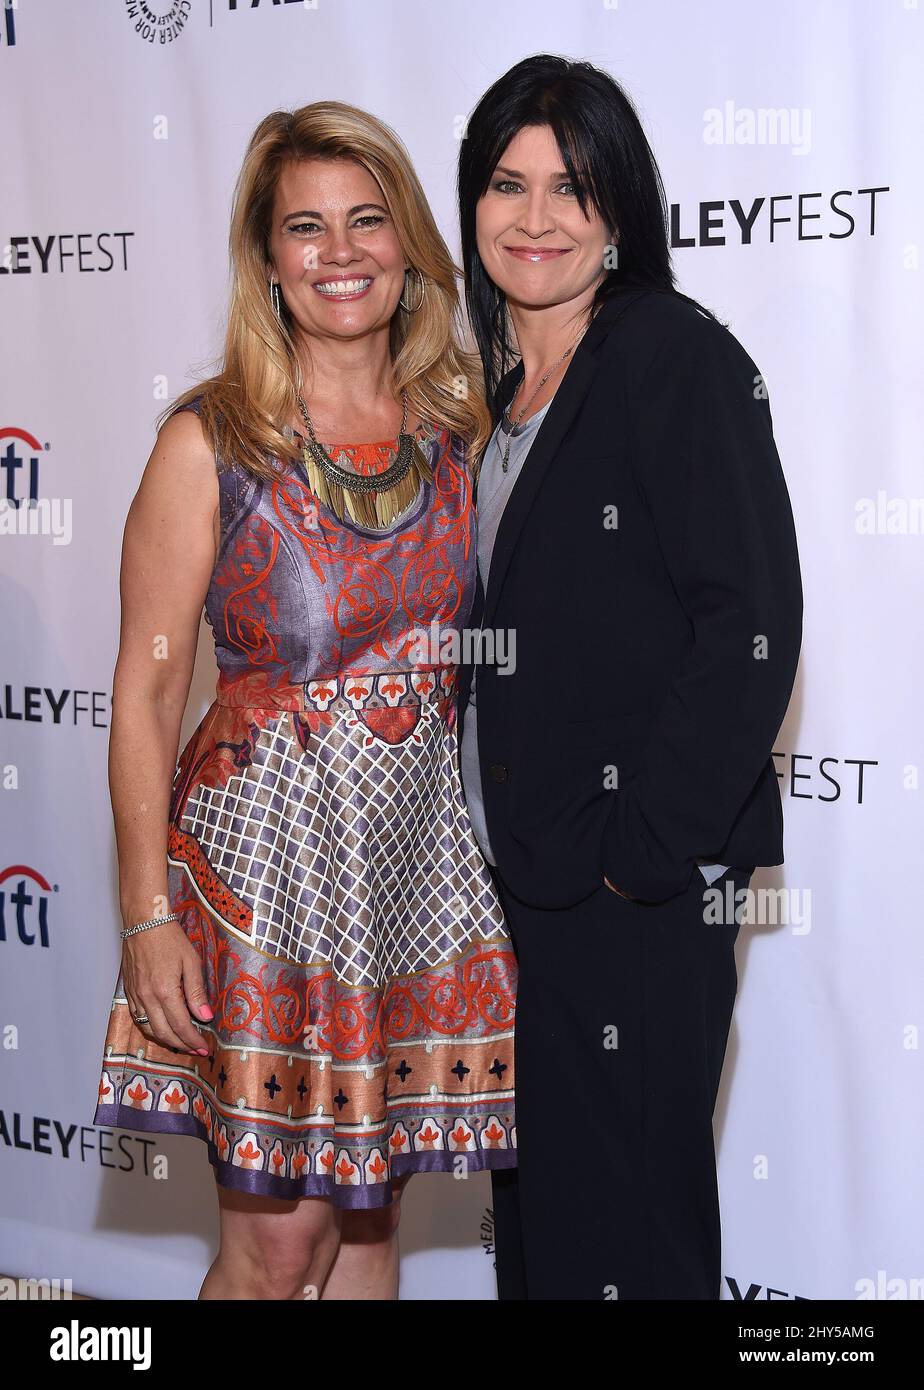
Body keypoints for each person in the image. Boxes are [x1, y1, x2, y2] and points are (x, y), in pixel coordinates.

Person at [93, 101, 517, 1301]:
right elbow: (148, 687)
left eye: (367, 220)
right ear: (268, 258)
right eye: (306, 227)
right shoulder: (210, 442)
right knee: (277, 1248)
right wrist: (143, 914)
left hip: (413, 874)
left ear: (409, 243)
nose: (341, 252)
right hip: (261, 878)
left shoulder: (459, 431)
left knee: (372, 1230)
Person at [456, 55, 803, 1300]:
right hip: (520, 890)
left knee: (631, 1243)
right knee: (546, 1237)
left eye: (572, 186)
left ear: (620, 210)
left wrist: (643, 848)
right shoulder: (499, 391)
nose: (536, 217)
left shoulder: (674, 357)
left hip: (629, 900)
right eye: (506, 184)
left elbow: (751, 618)